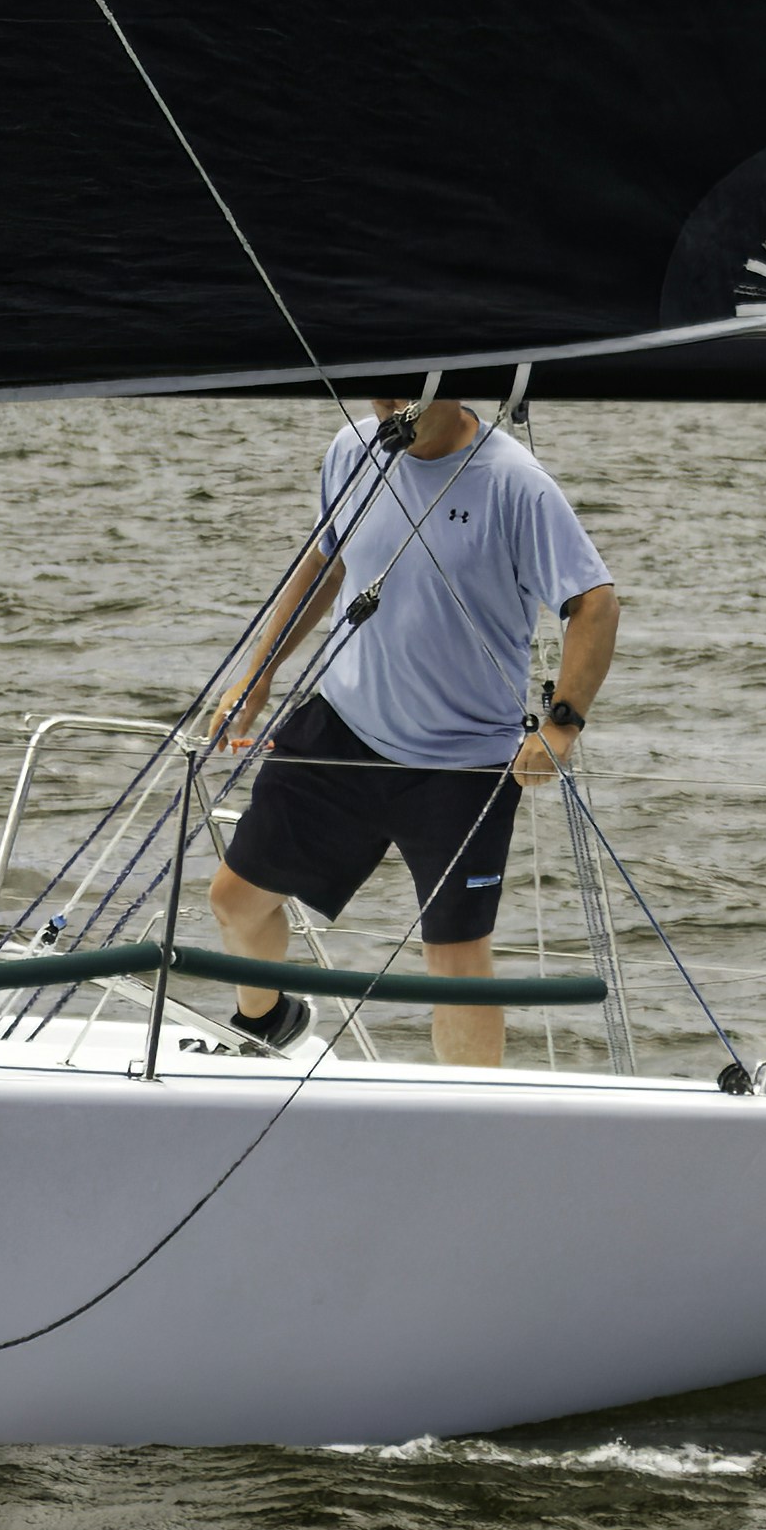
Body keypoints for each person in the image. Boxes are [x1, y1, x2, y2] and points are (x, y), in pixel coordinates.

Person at [206, 393, 622, 1068]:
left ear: (452, 384)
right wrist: (257, 676)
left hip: (462, 767)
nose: (387, 406)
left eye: (404, 390)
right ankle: (269, 1023)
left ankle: (467, 1128)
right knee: (233, 902)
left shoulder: (515, 485)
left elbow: (594, 604)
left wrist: (560, 727)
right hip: (343, 729)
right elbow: (326, 562)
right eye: (378, 389)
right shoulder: (352, 449)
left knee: (455, 962)